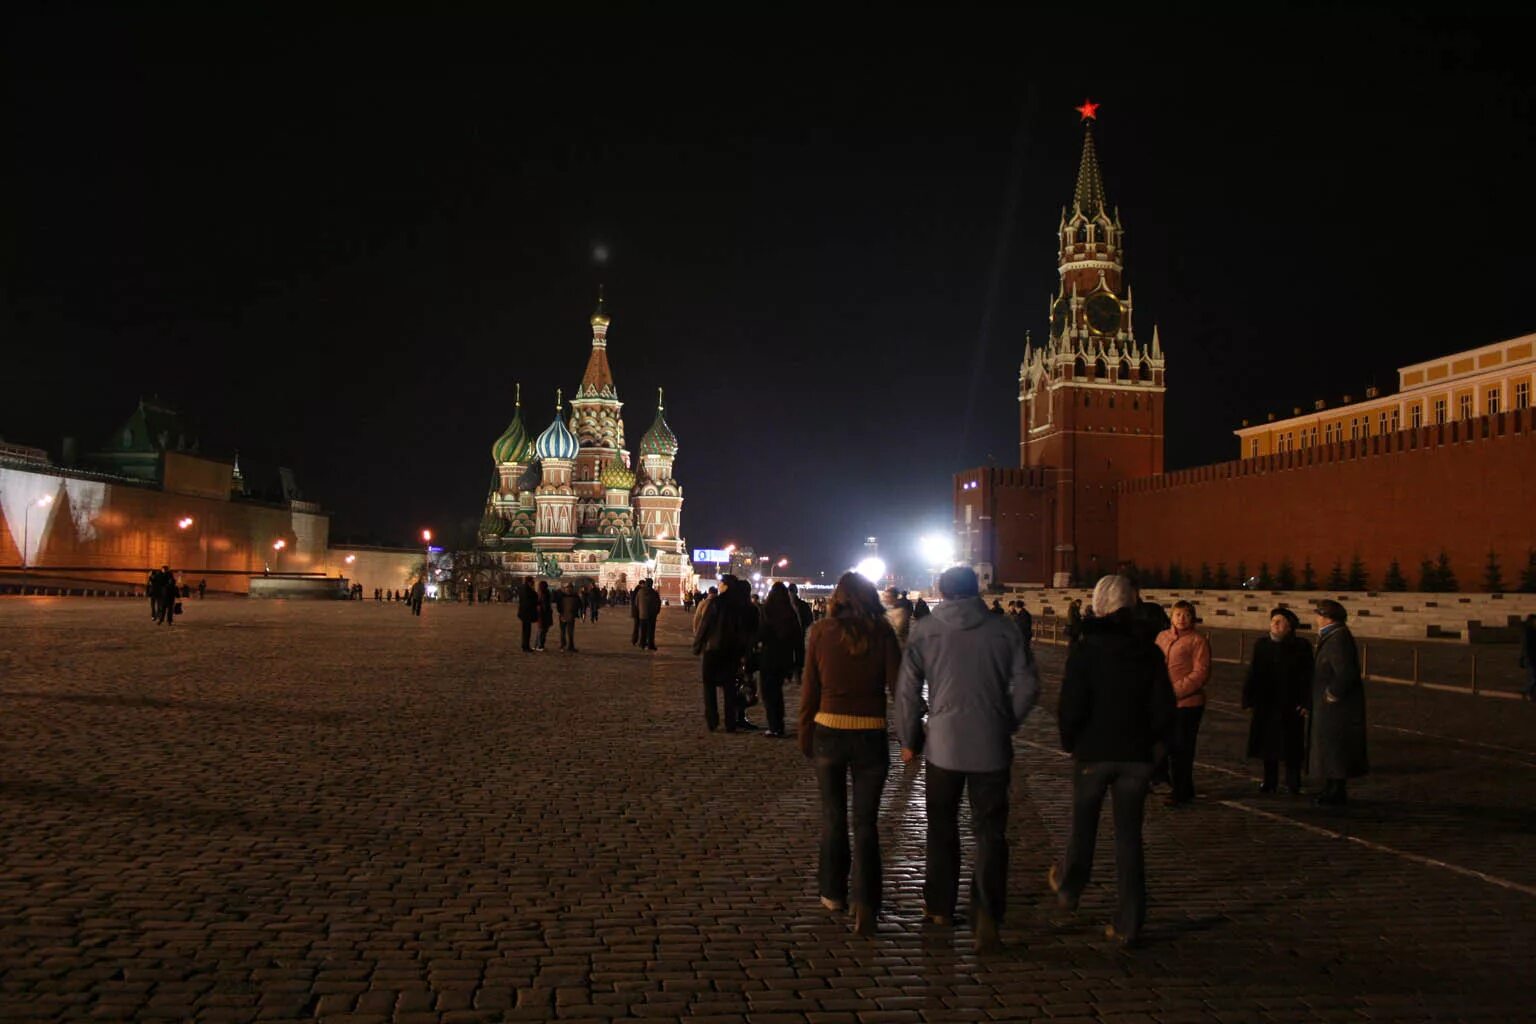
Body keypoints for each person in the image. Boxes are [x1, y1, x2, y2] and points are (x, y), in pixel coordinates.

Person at [896, 565, 1037, 953]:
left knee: (942, 827)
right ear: (976, 590)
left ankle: (940, 905)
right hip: (991, 745)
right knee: (990, 832)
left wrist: (909, 737)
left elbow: (907, 693)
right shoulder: (1005, 629)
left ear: (942, 590)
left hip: (942, 745)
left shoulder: (924, 630)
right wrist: (1007, 719)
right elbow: (1027, 683)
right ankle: (988, 911)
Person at [1052, 574, 1177, 948]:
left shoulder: (1086, 650)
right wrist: (1157, 748)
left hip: (1094, 751)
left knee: (1083, 828)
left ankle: (1070, 883)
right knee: (1129, 839)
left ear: (1097, 605)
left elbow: (1071, 705)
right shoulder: (1149, 651)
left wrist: (1070, 741)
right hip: (1136, 755)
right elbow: (1163, 706)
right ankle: (1129, 921)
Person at [800, 572, 901, 937]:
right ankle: (867, 902)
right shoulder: (884, 633)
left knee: (833, 817)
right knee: (866, 823)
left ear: (837, 598)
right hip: (870, 734)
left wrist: (805, 733)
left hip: (829, 731)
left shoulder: (821, 633)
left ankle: (832, 894)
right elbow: (898, 687)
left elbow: (810, 689)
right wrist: (908, 736)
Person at [1242, 607, 1312, 794]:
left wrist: (1306, 702)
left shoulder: (1301, 646)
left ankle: (1293, 782)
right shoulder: (1262, 645)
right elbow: (1253, 672)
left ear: (1290, 627)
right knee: (1268, 744)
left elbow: (1308, 676)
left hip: (1291, 704)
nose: (1275, 624)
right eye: (1273, 621)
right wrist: (1249, 698)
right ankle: (1269, 781)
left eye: (1280, 621)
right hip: (1266, 703)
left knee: (1292, 745)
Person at [1310, 599, 1368, 806]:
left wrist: (1332, 693)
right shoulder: (1333, 635)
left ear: (1327, 617)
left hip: (1336, 707)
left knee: (1335, 746)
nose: (1316, 618)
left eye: (1318, 614)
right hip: (1330, 705)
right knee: (1329, 746)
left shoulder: (1338, 638)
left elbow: (1345, 672)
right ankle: (1331, 784)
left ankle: (1336, 788)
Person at [1155, 600, 1211, 806]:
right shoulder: (1162, 637)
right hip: (1164, 702)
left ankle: (1182, 790)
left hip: (1188, 704)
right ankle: (1164, 781)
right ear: (1171, 616)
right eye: (1178, 614)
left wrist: (1175, 691)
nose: (1181, 618)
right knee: (1162, 745)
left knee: (1182, 748)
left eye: (1186, 615)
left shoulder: (1198, 641)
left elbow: (1200, 673)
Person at [693, 575, 751, 732]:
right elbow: (743, 632)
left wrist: (697, 645)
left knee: (709, 686)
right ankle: (730, 722)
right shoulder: (739, 605)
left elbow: (705, 625)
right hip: (731, 652)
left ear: (726, 586)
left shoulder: (715, 602)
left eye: (720, 584)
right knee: (729, 688)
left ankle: (712, 720)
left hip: (713, 649)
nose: (718, 586)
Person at [757, 583, 801, 737]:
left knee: (769, 693)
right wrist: (798, 664)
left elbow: (760, 633)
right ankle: (779, 724)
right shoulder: (791, 613)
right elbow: (798, 640)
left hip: (768, 657)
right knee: (778, 691)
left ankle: (774, 725)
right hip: (785, 658)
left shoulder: (766, 611)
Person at [636, 579, 661, 650]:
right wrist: (656, 612)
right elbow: (658, 603)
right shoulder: (654, 593)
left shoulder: (640, 592)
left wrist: (640, 610)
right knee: (651, 631)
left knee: (643, 630)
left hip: (642, 615)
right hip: (652, 615)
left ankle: (642, 644)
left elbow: (636, 603)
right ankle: (650, 645)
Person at [557, 582, 581, 652]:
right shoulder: (562, 596)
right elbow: (559, 606)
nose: (569, 589)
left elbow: (579, 605)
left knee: (570, 632)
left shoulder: (574, 596)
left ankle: (570, 646)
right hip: (564, 615)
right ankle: (563, 645)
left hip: (570, 616)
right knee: (563, 632)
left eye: (570, 588)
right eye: (568, 588)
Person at [516, 578, 539, 652]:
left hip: (523, 612)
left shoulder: (522, 588)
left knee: (525, 629)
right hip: (527, 612)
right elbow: (532, 599)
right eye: (532, 582)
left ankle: (525, 645)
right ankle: (526, 646)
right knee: (527, 630)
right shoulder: (528, 590)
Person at [1520, 613, 1536, 701]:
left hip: (1533, 657)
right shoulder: (1528, 632)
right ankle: (1529, 692)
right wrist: (1523, 658)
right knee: (1534, 676)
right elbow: (1526, 647)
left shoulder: (1532, 631)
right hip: (1530, 658)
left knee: (1533, 676)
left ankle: (1529, 692)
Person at [534, 580, 554, 651]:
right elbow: (545, 605)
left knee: (540, 630)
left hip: (540, 614)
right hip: (544, 614)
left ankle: (537, 645)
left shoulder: (539, 593)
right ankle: (540, 645)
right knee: (542, 630)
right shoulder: (545, 594)